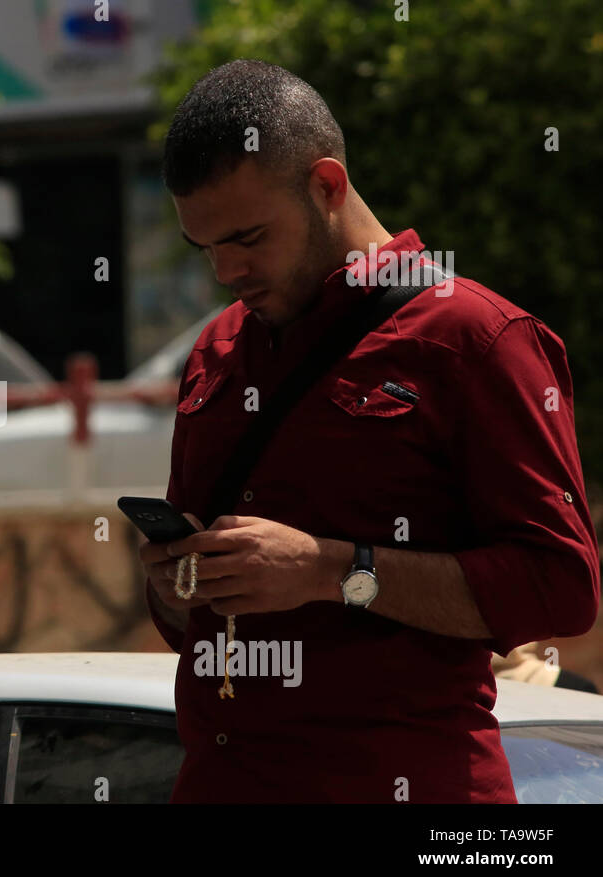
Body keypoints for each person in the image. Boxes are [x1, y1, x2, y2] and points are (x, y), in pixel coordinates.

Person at [141, 60, 599, 803]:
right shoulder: (217, 350)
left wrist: (331, 570)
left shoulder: (475, 338)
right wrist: (176, 580)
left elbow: (562, 588)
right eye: (206, 248)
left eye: (249, 237)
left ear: (326, 185)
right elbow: (192, 619)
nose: (227, 270)